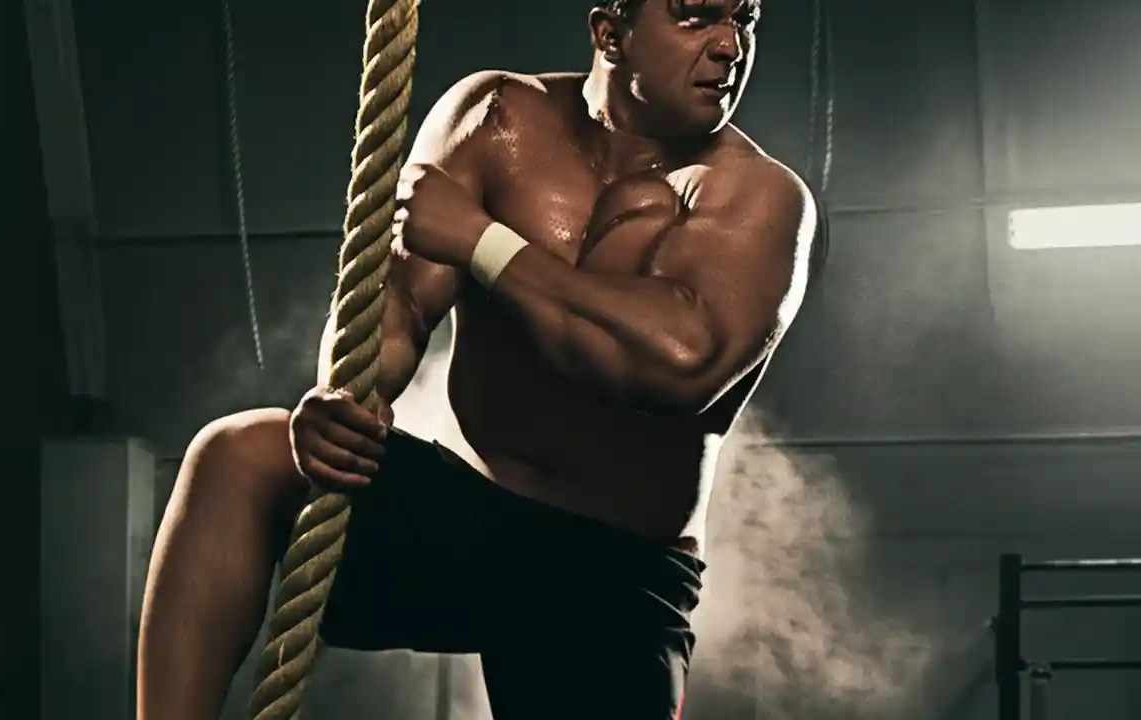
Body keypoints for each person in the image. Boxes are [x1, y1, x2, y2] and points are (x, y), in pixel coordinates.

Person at [137, 0, 820, 718]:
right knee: (238, 454)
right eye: (695, 17)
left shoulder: (761, 196)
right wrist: (350, 398)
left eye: (744, 20)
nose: (728, 46)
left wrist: (483, 243)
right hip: (475, 518)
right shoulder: (498, 118)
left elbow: (680, 363)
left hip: (618, 573)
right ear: (610, 33)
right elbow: (397, 301)